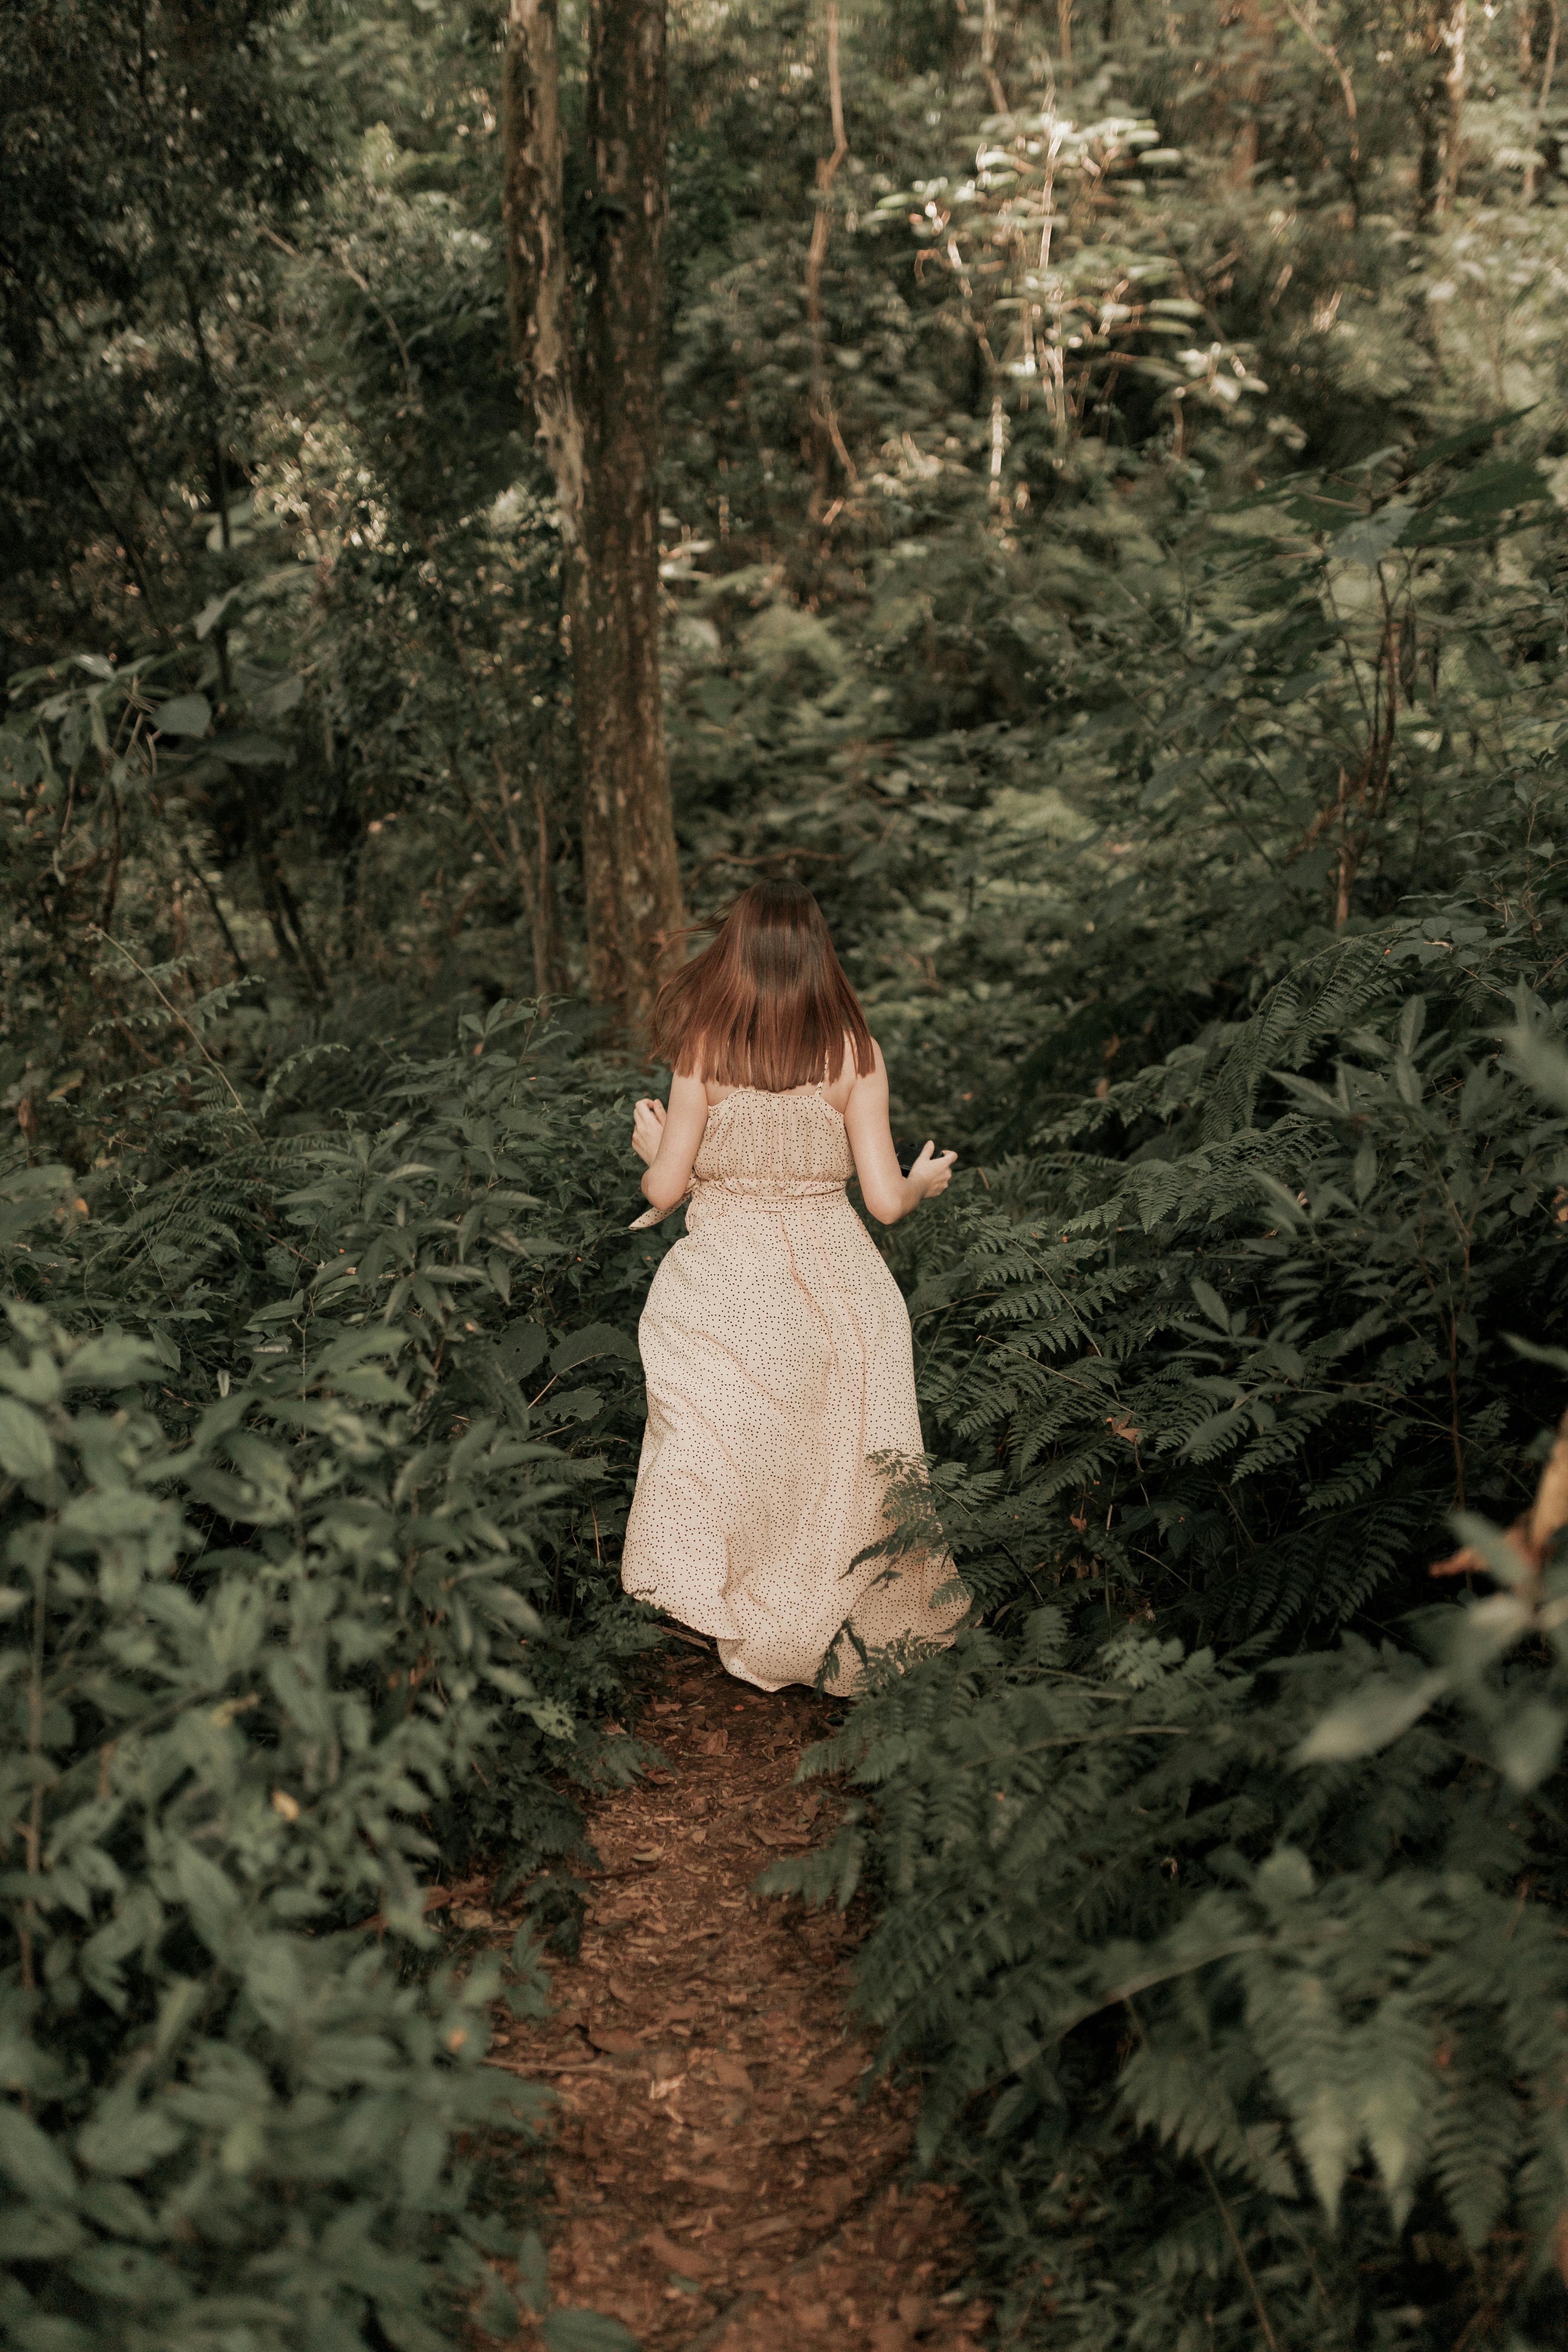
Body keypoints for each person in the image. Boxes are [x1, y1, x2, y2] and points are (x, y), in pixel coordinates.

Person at [620, 879, 968, 1694]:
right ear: (819, 957)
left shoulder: (704, 1047)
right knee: (832, 1469)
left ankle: (718, 1596)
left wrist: (653, 1147)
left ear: (735, 954)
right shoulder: (855, 1053)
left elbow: (664, 1192)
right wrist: (923, 1179)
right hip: (835, 1283)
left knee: (719, 1443)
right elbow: (884, 1203)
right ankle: (825, 1630)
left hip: (726, 1283)